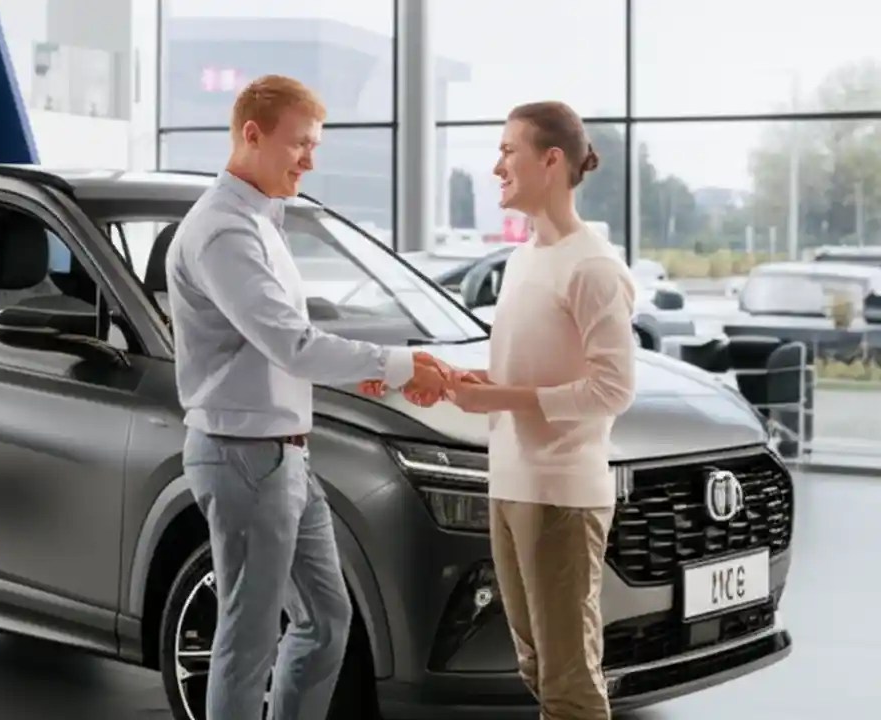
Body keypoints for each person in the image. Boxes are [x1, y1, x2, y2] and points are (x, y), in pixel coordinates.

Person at [164, 74, 449, 720]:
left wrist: (365, 373)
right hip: (245, 457)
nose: (311, 160)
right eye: (301, 144)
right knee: (249, 634)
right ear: (252, 134)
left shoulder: (262, 221)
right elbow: (289, 343)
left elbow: (275, 349)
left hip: (283, 456)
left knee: (326, 618)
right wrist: (399, 366)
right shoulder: (222, 232)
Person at [447, 101, 636, 719]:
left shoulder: (595, 267)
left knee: (567, 682)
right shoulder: (526, 257)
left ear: (551, 160)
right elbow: (533, 371)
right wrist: (477, 383)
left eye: (508, 150)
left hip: (562, 495)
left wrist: (499, 396)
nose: (496, 164)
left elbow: (613, 389)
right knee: (535, 664)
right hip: (511, 480)